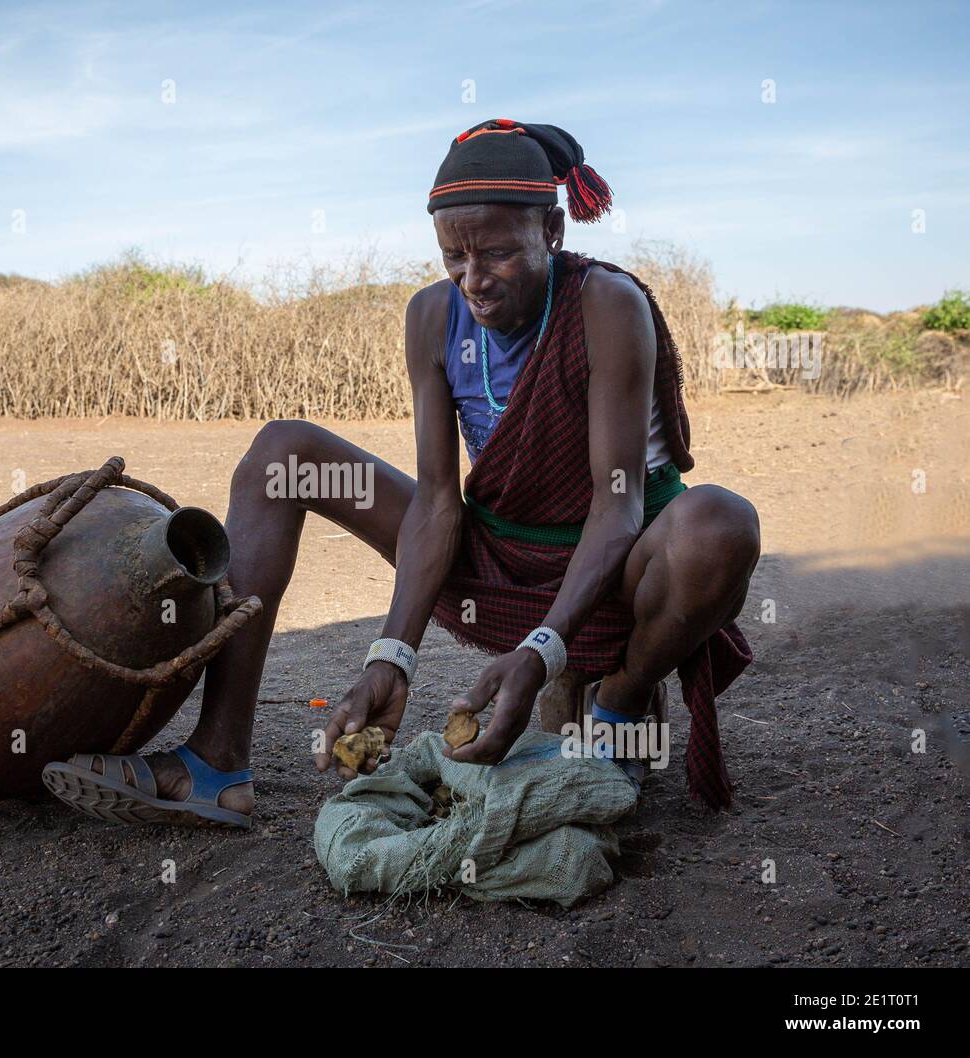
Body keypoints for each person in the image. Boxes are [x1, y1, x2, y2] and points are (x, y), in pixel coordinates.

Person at [42, 119, 759, 829]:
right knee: (283, 455)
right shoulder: (433, 318)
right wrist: (393, 657)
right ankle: (216, 761)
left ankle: (619, 704)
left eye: (501, 254)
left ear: (554, 230)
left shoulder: (606, 305)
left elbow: (618, 504)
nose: (473, 280)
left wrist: (541, 653)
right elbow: (441, 502)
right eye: (454, 256)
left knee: (720, 527)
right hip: (499, 554)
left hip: (619, 557)